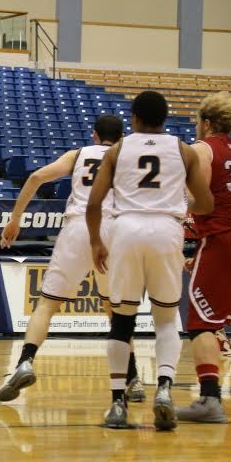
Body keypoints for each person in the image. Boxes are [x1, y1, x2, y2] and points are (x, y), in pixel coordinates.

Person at [87, 90, 213, 430]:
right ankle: (166, 391)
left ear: (135, 118)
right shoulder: (183, 150)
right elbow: (205, 203)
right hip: (166, 231)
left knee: (122, 321)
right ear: (165, 118)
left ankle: (117, 404)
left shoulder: (118, 149)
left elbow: (94, 202)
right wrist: (179, 207)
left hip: (127, 230)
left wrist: (98, 241)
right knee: (167, 319)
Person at [0, 115, 127, 402]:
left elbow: (36, 177)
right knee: (115, 308)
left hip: (79, 225)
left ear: (94, 135)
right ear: (121, 138)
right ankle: (132, 379)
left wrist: (16, 219)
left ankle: (25, 362)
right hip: (115, 228)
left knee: (47, 304)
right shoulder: (127, 156)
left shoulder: (78, 154)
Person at [175, 92, 231, 423]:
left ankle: (210, 399)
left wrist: (186, 212)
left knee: (201, 324)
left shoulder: (203, 149)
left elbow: (204, 203)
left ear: (207, 122)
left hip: (221, 238)